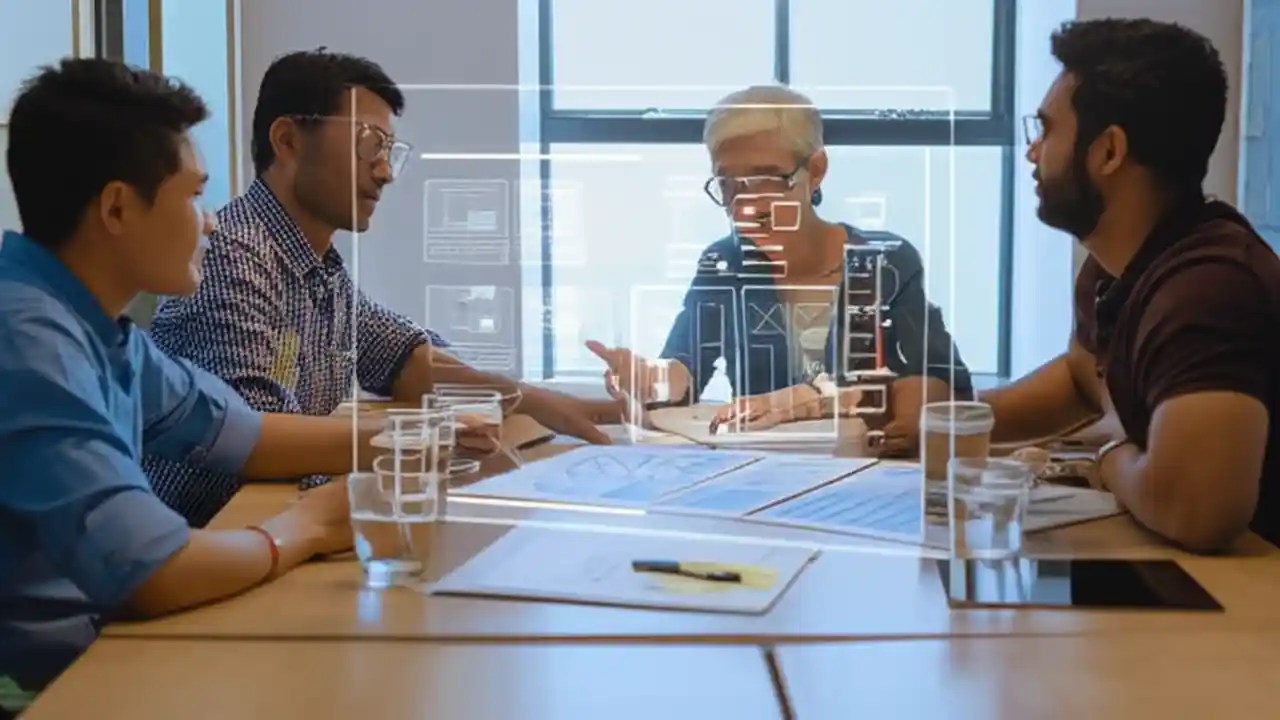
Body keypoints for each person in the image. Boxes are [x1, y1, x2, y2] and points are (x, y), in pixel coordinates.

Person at [0, 59, 379, 702]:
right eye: (194, 195)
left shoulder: (97, 326)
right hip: (47, 685)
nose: (209, 222)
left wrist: (407, 449)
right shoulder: (29, 343)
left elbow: (245, 434)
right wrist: (305, 528)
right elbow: (149, 568)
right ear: (118, 207)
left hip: (109, 645)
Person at [144, 49, 611, 527]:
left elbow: (404, 358)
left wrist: (537, 400)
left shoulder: (320, 267)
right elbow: (257, 439)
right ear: (287, 140)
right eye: (369, 144)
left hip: (273, 526)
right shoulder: (234, 255)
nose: (385, 171)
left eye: (390, 151)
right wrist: (424, 436)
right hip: (208, 539)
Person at [979, 18, 1280, 550]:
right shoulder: (1114, 267)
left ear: (1109, 152)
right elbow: (1082, 378)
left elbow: (1197, 512)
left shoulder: (1208, 291)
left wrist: (1108, 456)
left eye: (1046, 130)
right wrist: (967, 418)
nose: (1032, 152)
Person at [588, 85, 970, 450]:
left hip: (861, 472)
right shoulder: (724, 263)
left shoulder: (885, 260)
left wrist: (811, 401)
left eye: (767, 179)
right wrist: (651, 380)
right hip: (757, 472)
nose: (744, 205)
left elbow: (937, 382)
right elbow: (686, 371)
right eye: (728, 184)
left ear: (816, 170)